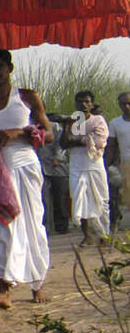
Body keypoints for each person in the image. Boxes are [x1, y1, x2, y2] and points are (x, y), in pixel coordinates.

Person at [0, 48, 53, 308]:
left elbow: (47, 133)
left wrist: (19, 132)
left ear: (9, 69)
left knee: (32, 225)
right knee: (1, 228)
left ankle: (38, 281)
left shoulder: (27, 97)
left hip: (26, 168)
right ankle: (4, 289)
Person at [61, 90, 109, 246]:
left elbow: (99, 141)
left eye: (87, 101)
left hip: (94, 164)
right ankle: (87, 235)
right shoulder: (74, 121)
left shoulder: (98, 120)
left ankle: (104, 234)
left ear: (92, 104)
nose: (83, 104)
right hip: (77, 165)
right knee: (79, 198)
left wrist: (78, 140)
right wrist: (68, 126)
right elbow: (64, 143)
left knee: (100, 199)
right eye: (80, 101)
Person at [38, 135, 71, 235]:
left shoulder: (56, 125)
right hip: (41, 165)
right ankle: (45, 226)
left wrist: (57, 157)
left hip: (58, 166)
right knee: (44, 199)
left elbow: (62, 143)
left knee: (60, 198)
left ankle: (62, 227)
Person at [107, 92, 130, 214]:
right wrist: (107, 164)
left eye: (129, 103)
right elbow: (111, 146)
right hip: (126, 164)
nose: (127, 107)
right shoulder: (115, 123)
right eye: (123, 104)